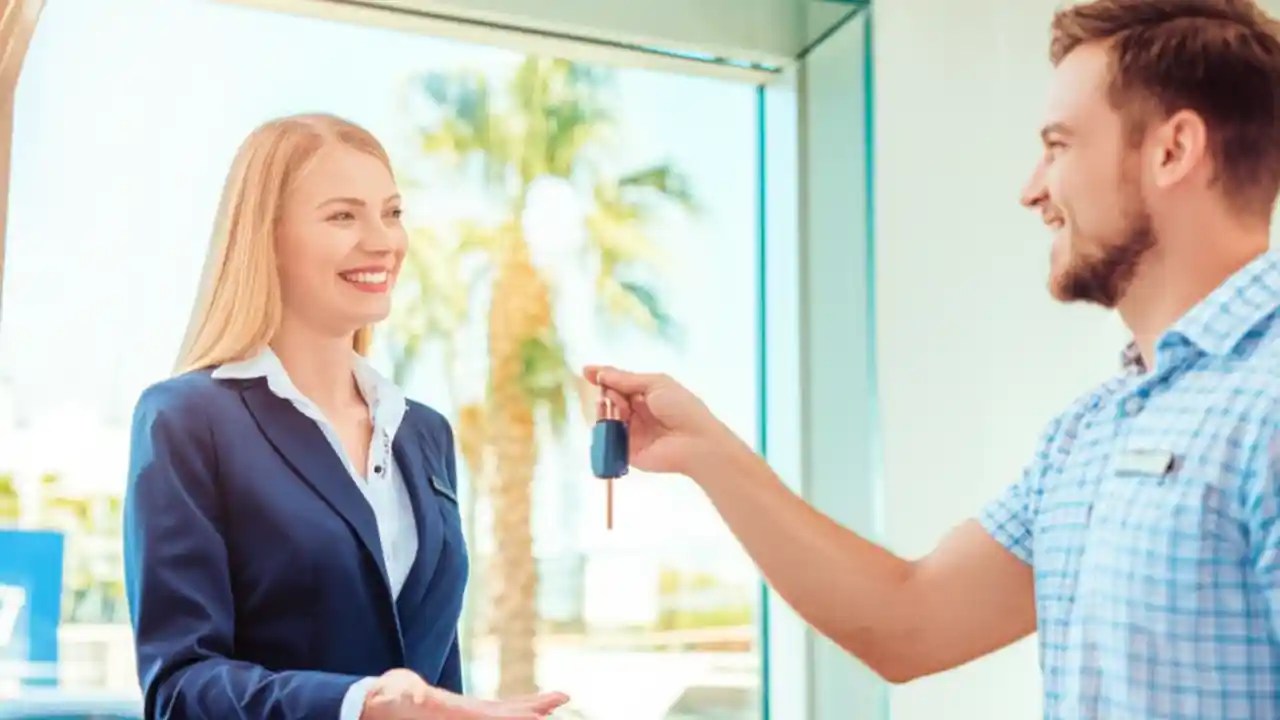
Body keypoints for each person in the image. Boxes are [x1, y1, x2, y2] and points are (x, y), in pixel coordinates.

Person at [588, 0, 1280, 717]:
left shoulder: (1268, 402)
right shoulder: (1090, 433)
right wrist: (703, 449)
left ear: (1173, 150)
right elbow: (907, 622)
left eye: (1059, 145)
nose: (1033, 189)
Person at [123, 113, 568, 720]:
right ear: (266, 237)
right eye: (343, 215)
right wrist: (362, 705)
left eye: (392, 213)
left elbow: (437, 678)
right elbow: (179, 688)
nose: (383, 240)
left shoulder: (423, 434)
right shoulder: (187, 419)